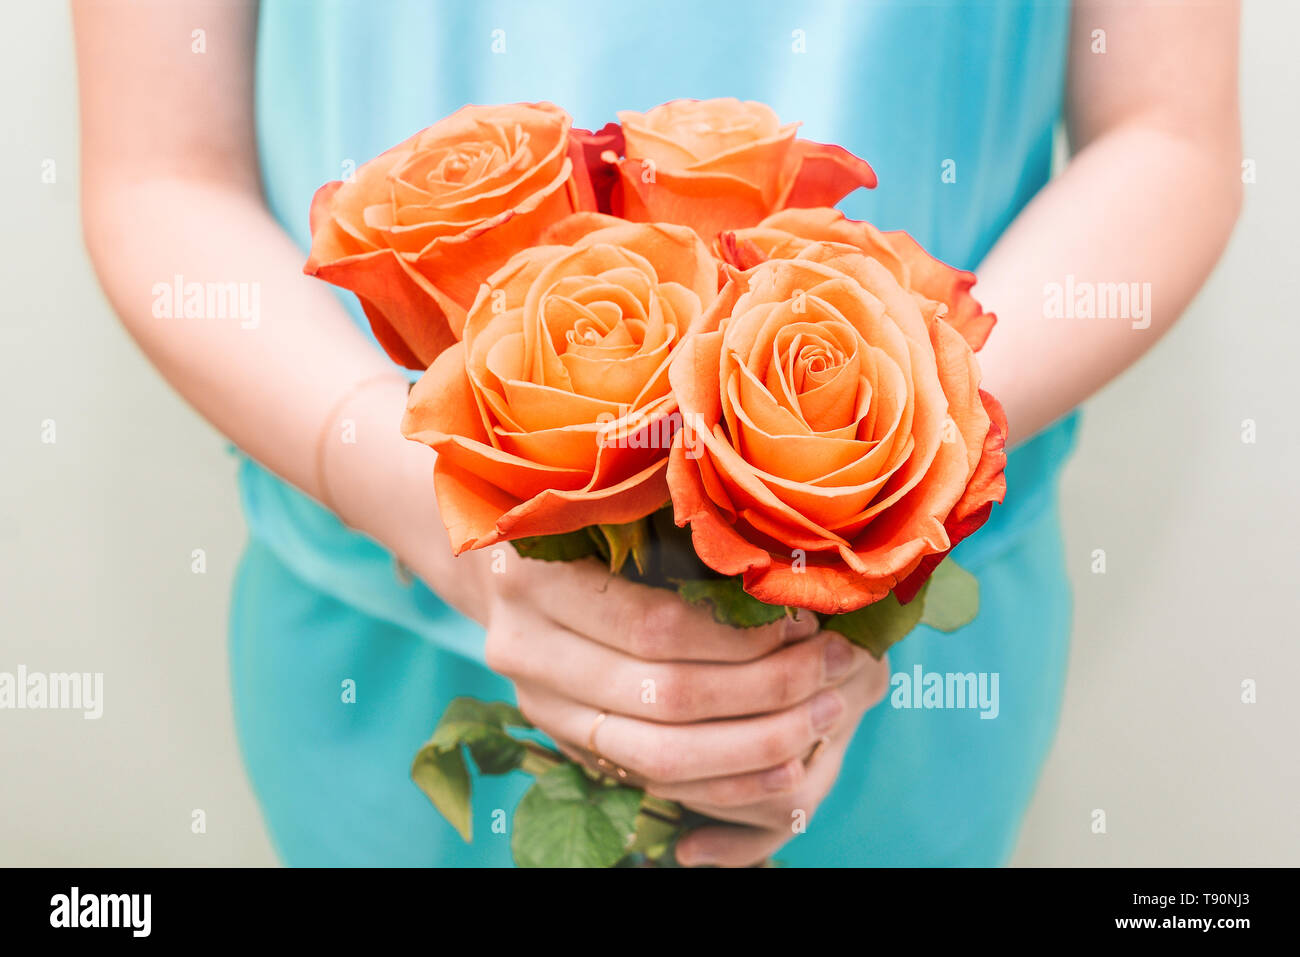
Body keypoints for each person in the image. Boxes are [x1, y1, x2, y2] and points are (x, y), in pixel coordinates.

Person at [72, 0, 1242, 867]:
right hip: (383, 641)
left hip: (900, 669)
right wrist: (428, 499)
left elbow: (1167, 134)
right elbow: (161, 172)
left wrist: (882, 468)